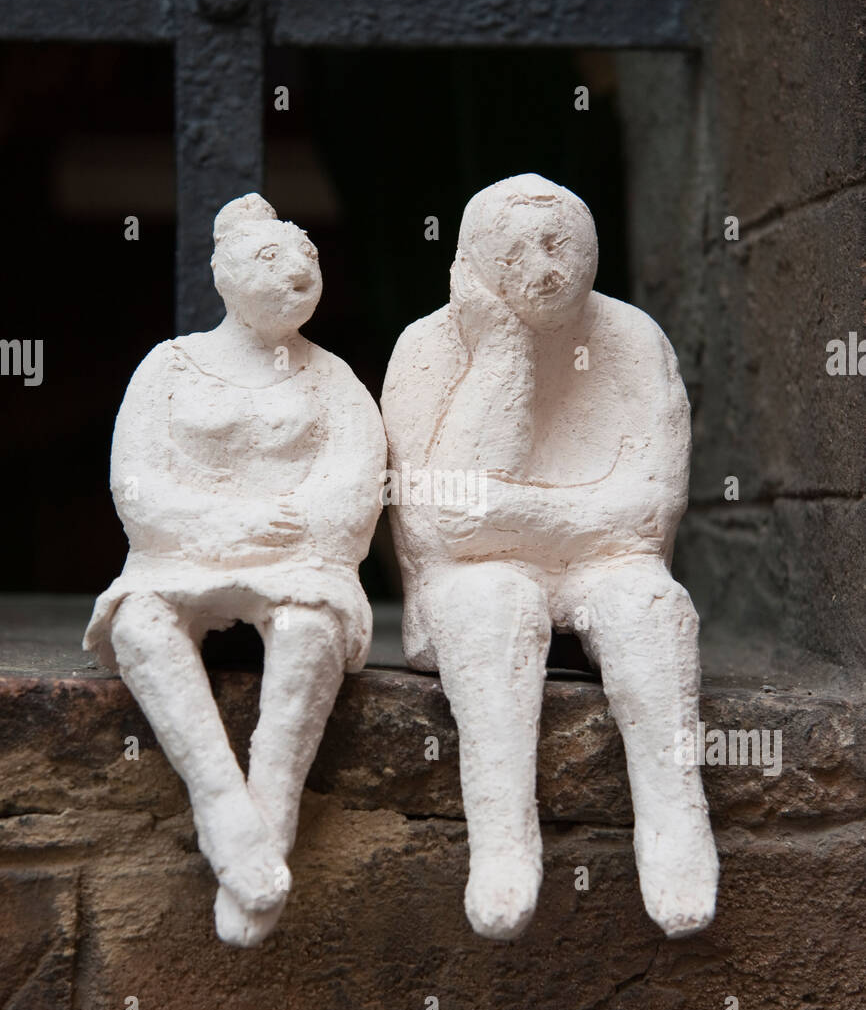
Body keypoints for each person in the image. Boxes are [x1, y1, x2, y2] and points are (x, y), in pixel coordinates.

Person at [382, 173, 718, 941]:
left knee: (650, 607)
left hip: (609, 572)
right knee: (492, 602)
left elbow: (649, 513)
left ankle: (675, 822)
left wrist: (502, 514)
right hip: (469, 585)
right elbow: (439, 527)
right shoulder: (427, 347)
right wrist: (502, 354)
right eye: (517, 251)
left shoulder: (634, 340)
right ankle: (502, 839)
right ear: (474, 265)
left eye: (561, 244)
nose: (547, 267)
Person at [85, 193, 386, 946]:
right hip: (181, 559)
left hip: (300, 566)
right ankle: (220, 800)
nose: (299, 272)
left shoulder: (332, 378)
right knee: (141, 625)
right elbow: (136, 487)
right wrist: (235, 524)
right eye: (271, 258)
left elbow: (357, 490)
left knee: (310, 629)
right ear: (224, 276)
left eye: (308, 257)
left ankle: (271, 811)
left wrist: (296, 527)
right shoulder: (169, 366)